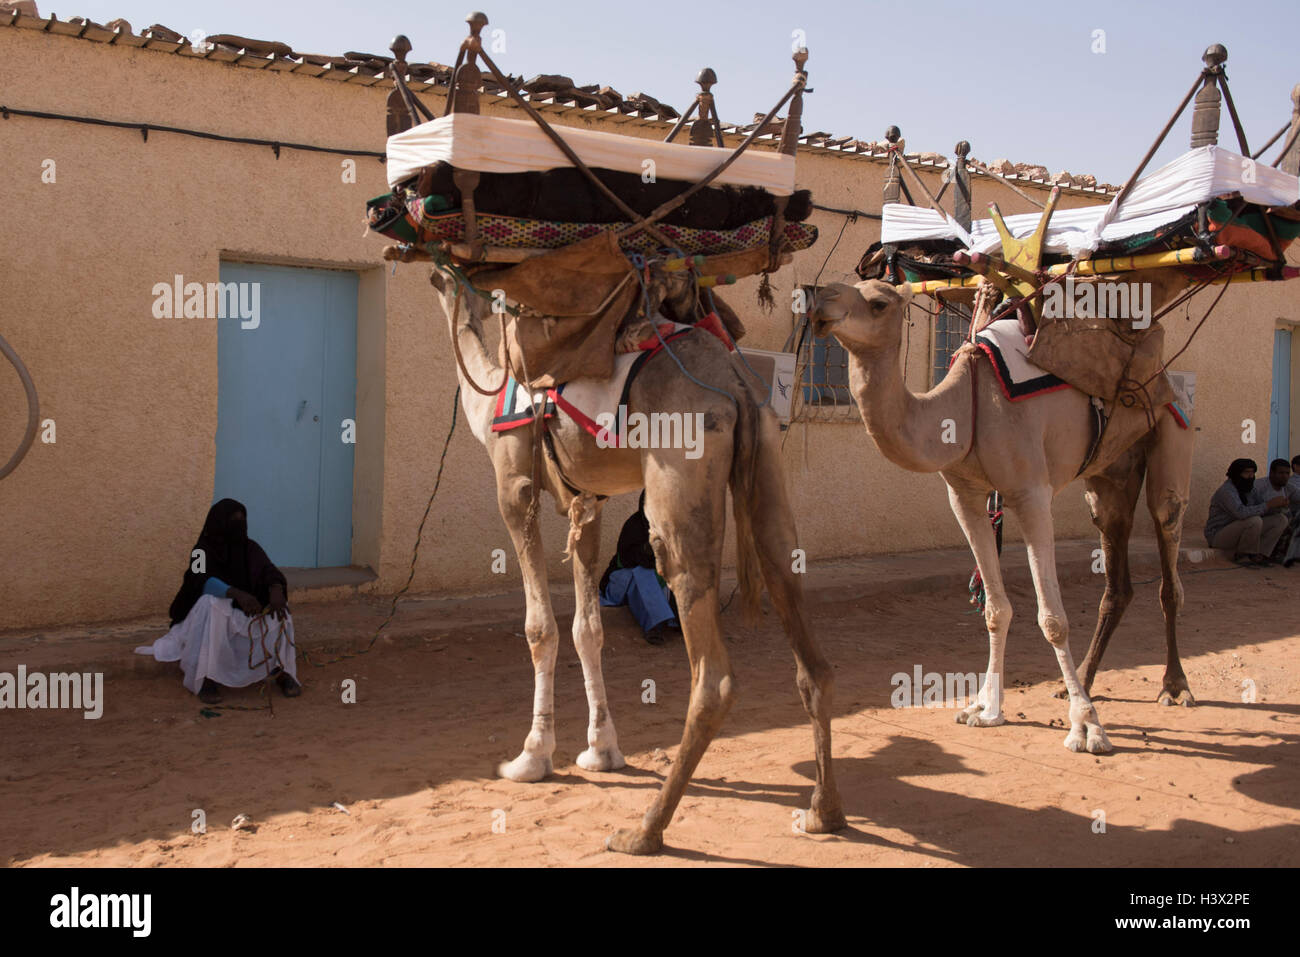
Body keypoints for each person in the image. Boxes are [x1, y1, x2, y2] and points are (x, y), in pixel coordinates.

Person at [135, 498, 301, 703]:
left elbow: (269, 571)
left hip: (242, 616)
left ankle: (281, 671)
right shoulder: (200, 551)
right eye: (233, 522)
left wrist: (276, 588)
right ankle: (205, 677)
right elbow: (197, 580)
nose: (239, 527)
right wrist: (234, 593)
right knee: (212, 604)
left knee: (280, 609)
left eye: (242, 521)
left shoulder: (250, 548)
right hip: (203, 620)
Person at [599, 492, 680, 644]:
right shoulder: (634, 526)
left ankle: (677, 619)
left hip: (652, 579)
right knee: (644, 573)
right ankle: (654, 625)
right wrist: (648, 550)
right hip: (621, 582)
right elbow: (628, 560)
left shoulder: (667, 527)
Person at [1204, 458, 1288, 566]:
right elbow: (1241, 513)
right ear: (1236, 473)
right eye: (1246, 472)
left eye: (1252, 472)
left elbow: (1261, 508)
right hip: (1218, 535)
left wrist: (1278, 506)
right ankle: (1243, 555)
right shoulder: (1226, 491)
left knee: (1280, 519)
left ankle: (1260, 555)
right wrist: (1268, 504)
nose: (1250, 476)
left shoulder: (1250, 489)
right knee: (1254, 521)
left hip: (1239, 530)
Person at [1257, 458, 1300, 566]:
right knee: (1282, 518)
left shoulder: (1288, 487)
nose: (1285, 476)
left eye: (1287, 473)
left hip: (1277, 522)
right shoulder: (1258, 486)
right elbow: (1249, 510)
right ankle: (1263, 554)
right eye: (1281, 473)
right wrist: (1271, 505)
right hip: (1258, 522)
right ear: (1272, 473)